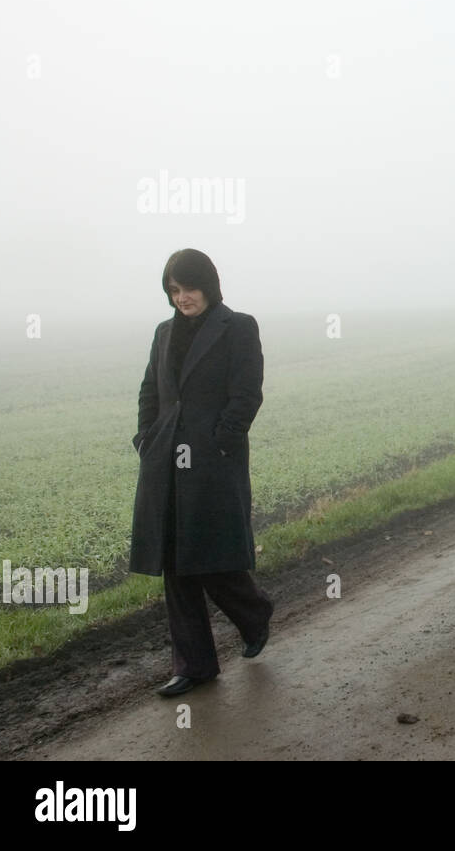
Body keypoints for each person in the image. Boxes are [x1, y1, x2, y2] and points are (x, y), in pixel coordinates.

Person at [129, 249, 274, 696]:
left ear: (208, 285)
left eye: (189, 287)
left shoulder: (238, 327)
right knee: (175, 561)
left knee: (210, 556)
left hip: (212, 461)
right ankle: (194, 666)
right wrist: (146, 440)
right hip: (165, 462)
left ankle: (253, 613)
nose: (182, 297)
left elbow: (246, 393)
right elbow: (151, 390)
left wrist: (221, 442)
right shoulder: (163, 332)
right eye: (173, 290)